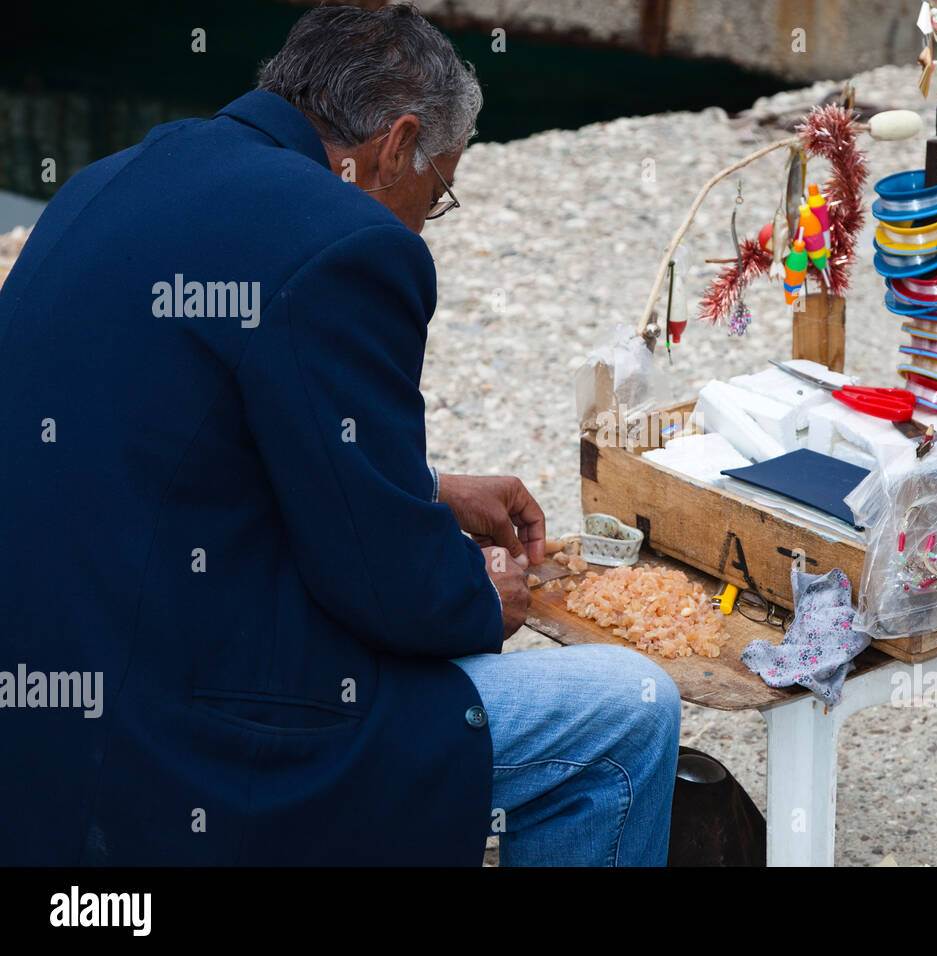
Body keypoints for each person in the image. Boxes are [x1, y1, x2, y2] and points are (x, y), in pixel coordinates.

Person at [0, 2, 680, 867]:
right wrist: (479, 596)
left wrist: (422, 489)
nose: (423, 222)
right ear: (397, 145)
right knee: (630, 712)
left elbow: (176, 442)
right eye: (438, 195)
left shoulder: (107, 181)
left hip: (37, 726)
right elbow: (389, 590)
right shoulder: (346, 240)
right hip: (176, 756)